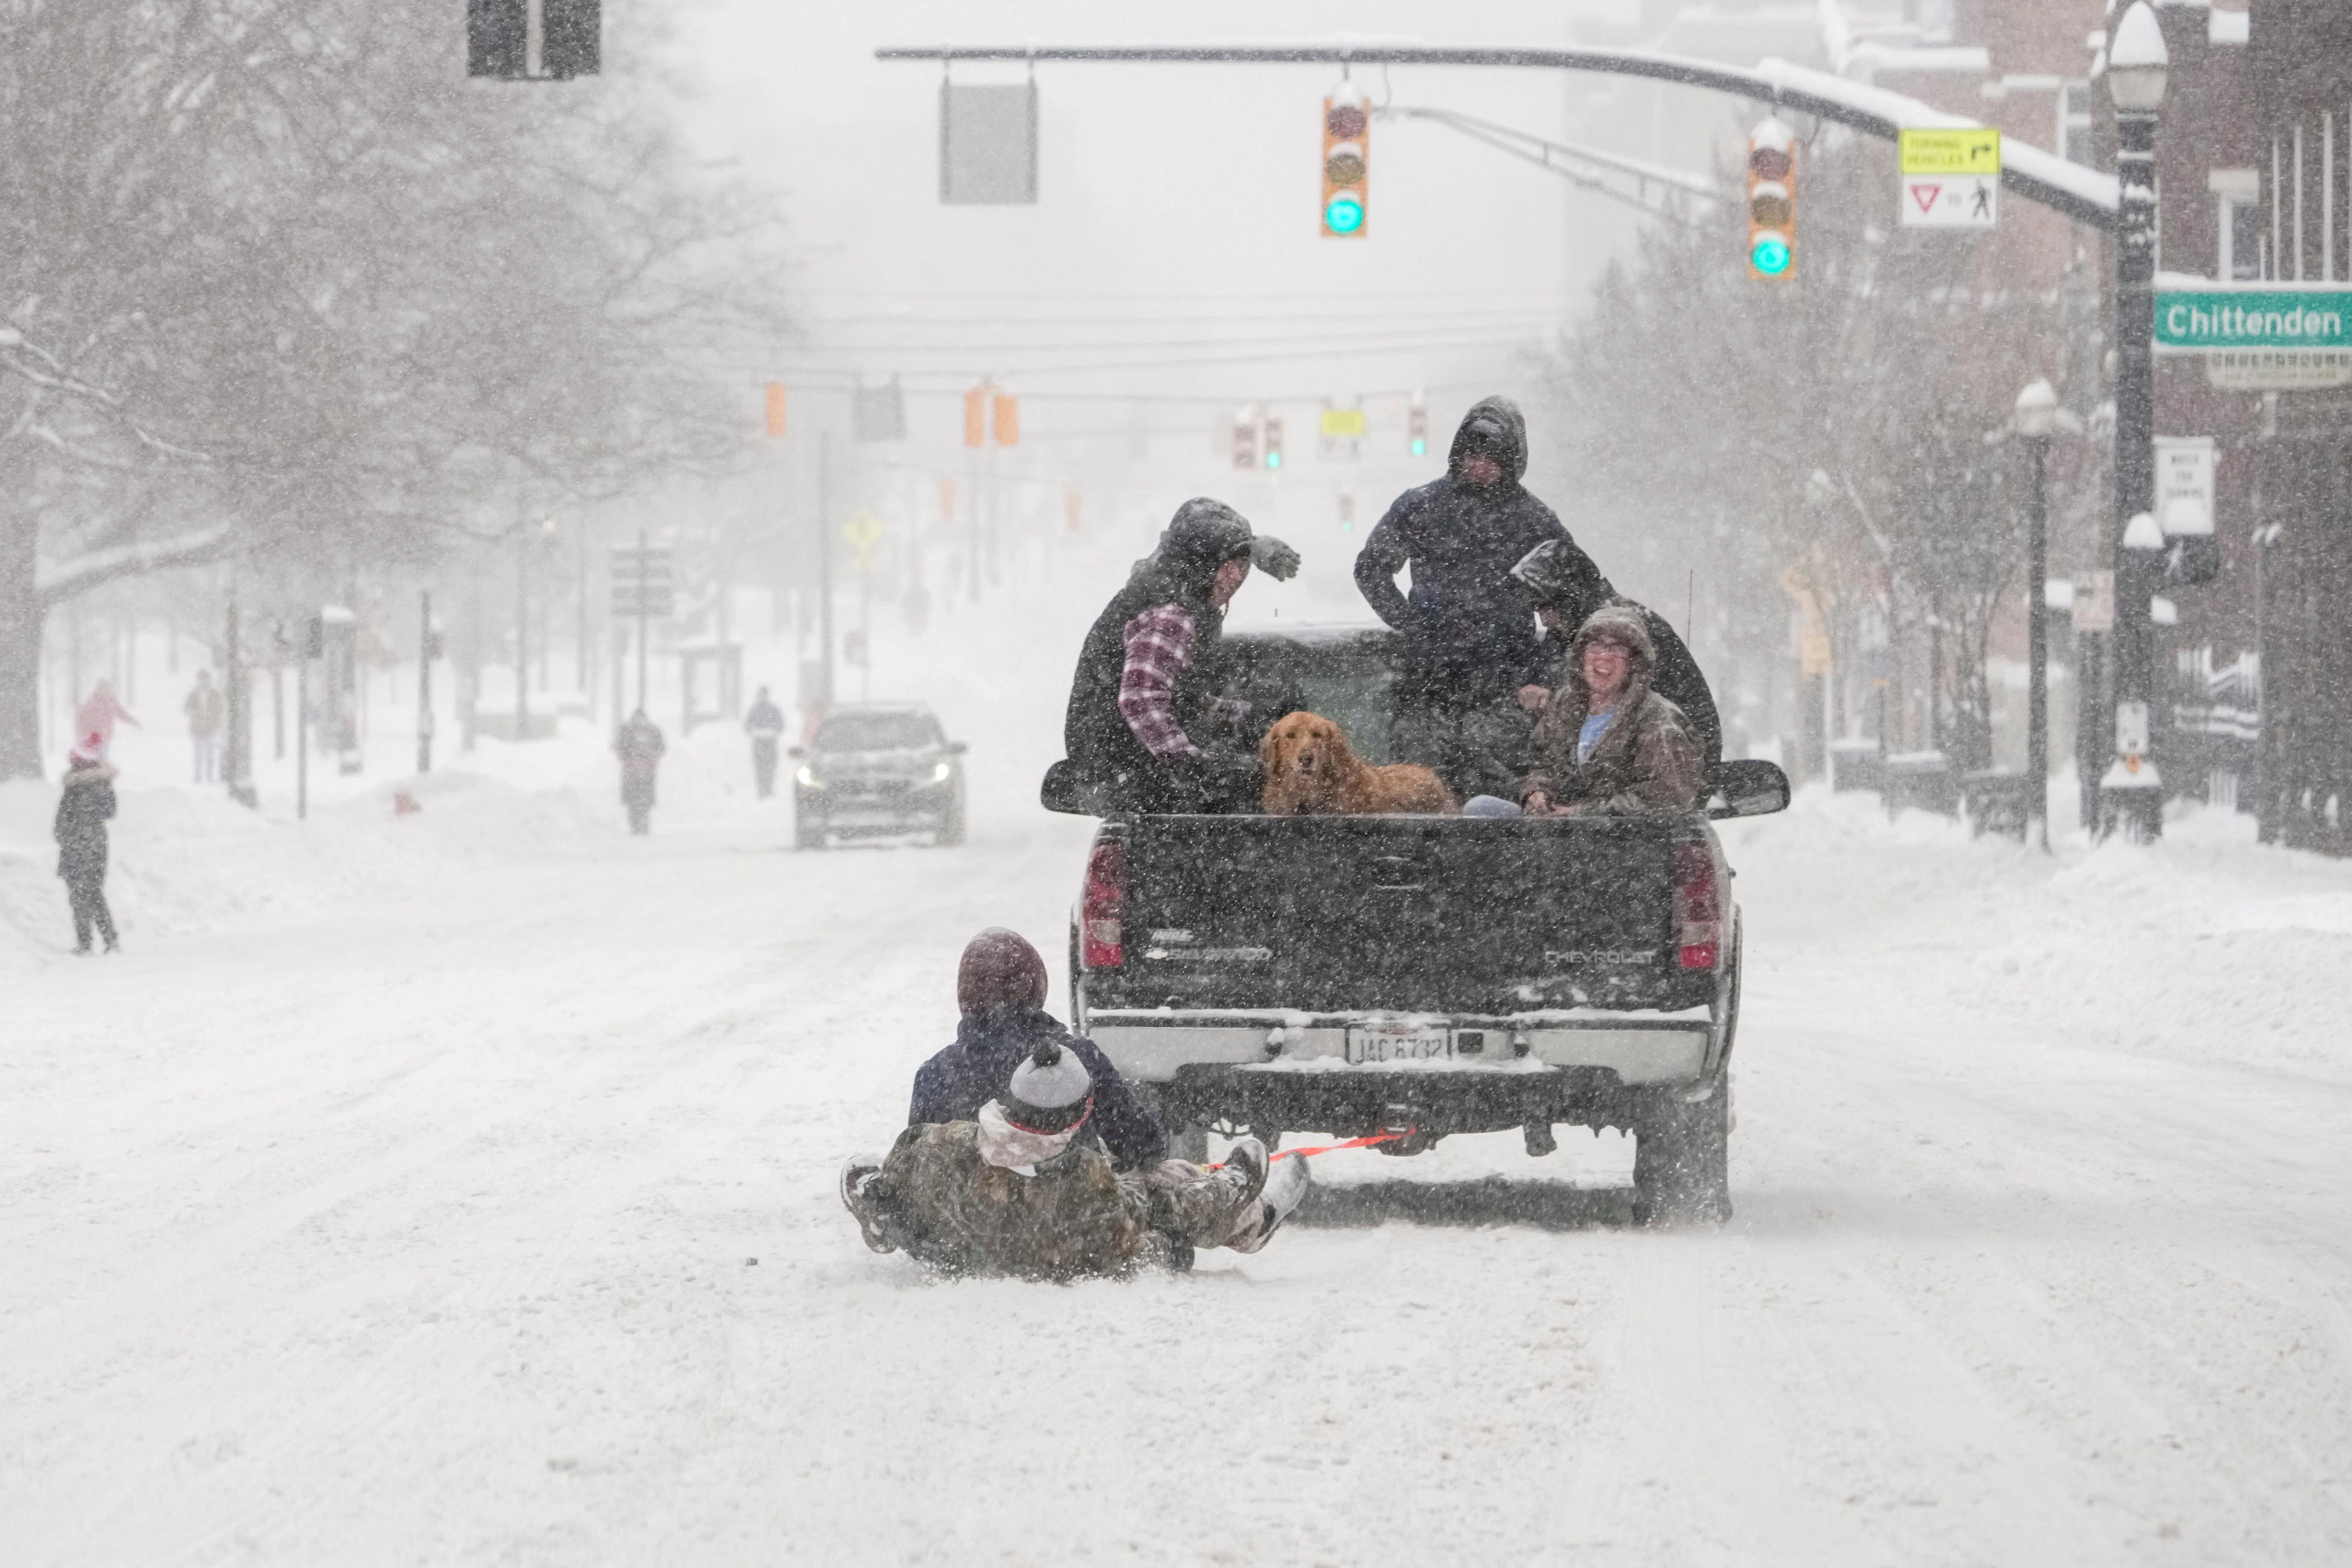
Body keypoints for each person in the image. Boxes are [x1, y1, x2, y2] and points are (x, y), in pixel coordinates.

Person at [842, 1038, 1312, 1280]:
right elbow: (1133, 1241)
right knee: (1160, 1191)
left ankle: (1245, 1215)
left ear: (1009, 1098)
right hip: (1062, 1256)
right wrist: (1176, 1250)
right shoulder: (1090, 1180)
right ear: (1084, 1110)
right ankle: (1243, 1208)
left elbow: (878, 1176)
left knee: (893, 1192)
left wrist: (874, 1198)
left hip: (965, 1250)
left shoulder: (940, 1143)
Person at [1353, 396, 1609, 799]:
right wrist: (1410, 623)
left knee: (1501, 809)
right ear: (1458, 453)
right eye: (1472, 456)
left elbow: (1576, 601)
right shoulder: (1421, 506)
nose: (1480, 466)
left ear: (1513, 462)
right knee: (1419, 800)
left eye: (1493, 460)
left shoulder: (1534, 520)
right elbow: (1371, 568)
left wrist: (1541, 676)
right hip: (1427, 690)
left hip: (1505, 694)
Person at [1062, 498, 1298, 814]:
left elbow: (1183, 700)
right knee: (1250, 787)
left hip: (1126, 768)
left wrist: (1251, 717)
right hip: (1128, 771)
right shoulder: (1172, 614)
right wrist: (1189, 765)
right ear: (1200, 565)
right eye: (1226, 565)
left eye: (1242, 566)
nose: (1235, 577)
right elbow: (1141, 697)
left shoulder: (1178, 595)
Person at [910, 928, 1166, 1170]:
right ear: (1036, 986)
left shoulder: (935, 1073)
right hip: (1072, 1211)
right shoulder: (1081, 1057)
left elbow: (915, 1166)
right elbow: (1145, 1148)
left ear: (965, 994)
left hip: (971, 1213)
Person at [1508, 540, 1725, 772]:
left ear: (1568, 597)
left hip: (1667, 767)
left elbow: (1611, 707)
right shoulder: (1581, 627)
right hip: (1642, 756)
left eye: (1545, 606)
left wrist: (1551, 704)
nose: (1543, 619)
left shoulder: (1617, 630)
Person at [1519, 606, 1703, 818]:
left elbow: (1667, 801)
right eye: (1595, 646)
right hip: (1556, 833)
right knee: (1481, 808)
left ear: (1634, 663)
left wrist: (1582, 814)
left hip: (1620, 843)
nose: (1604, 657)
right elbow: (1543, 764)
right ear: (1581, 655)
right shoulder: (1565, 703)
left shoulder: (1659, 720)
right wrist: (1537, 792)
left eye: (1618, 649)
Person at [55, 736, 120, 955]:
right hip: (90, 847)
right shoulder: (89, 787)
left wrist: (67, 836)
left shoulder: (82, 788)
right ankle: (102, 940)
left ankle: (94, 942)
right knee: (87, 894)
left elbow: (64, 821)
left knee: (86, 895)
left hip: (81, 848)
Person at [613, 709, 666, 834]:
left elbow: (661, 748)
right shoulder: (648, 731)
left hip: (639, 771)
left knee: (640, 798)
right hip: (637, 771)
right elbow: (620, 748)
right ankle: (638, 823)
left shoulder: (628, 731)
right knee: (637, 799)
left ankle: (639, 823)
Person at [73, 679, 139, 761]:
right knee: (94, 757)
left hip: (104, 735)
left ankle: (99, 768)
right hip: (93, 735)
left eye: (106, 688)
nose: (104, 690)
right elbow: (86, 717)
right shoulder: (93, 700)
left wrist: (132, 721)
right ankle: (96, 768)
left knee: (101, 757)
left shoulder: (111, 701)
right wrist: (86, 732)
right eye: (102, 688)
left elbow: (121, 713)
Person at [183, 670, 225, 784]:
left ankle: (210, 776)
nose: (204, 682)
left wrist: (215, 723)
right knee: (198, 755)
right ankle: (198, 777)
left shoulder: (215, 694)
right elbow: (186, 709)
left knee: (210, 755)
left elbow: (220, 710)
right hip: (197, 729)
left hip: (210, 729)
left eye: (206, 679)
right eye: (202, 679)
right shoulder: (193, 694)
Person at [745, 686, 786, 799]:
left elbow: (780, 725)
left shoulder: (770, 709)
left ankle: (767, 788)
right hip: (762, 742)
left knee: (768, 766)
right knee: (762, 766)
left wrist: (770, 731)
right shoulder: (757, 710)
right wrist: (760, 732)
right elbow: (748, 726)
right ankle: (763, 789)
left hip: (768, 742)